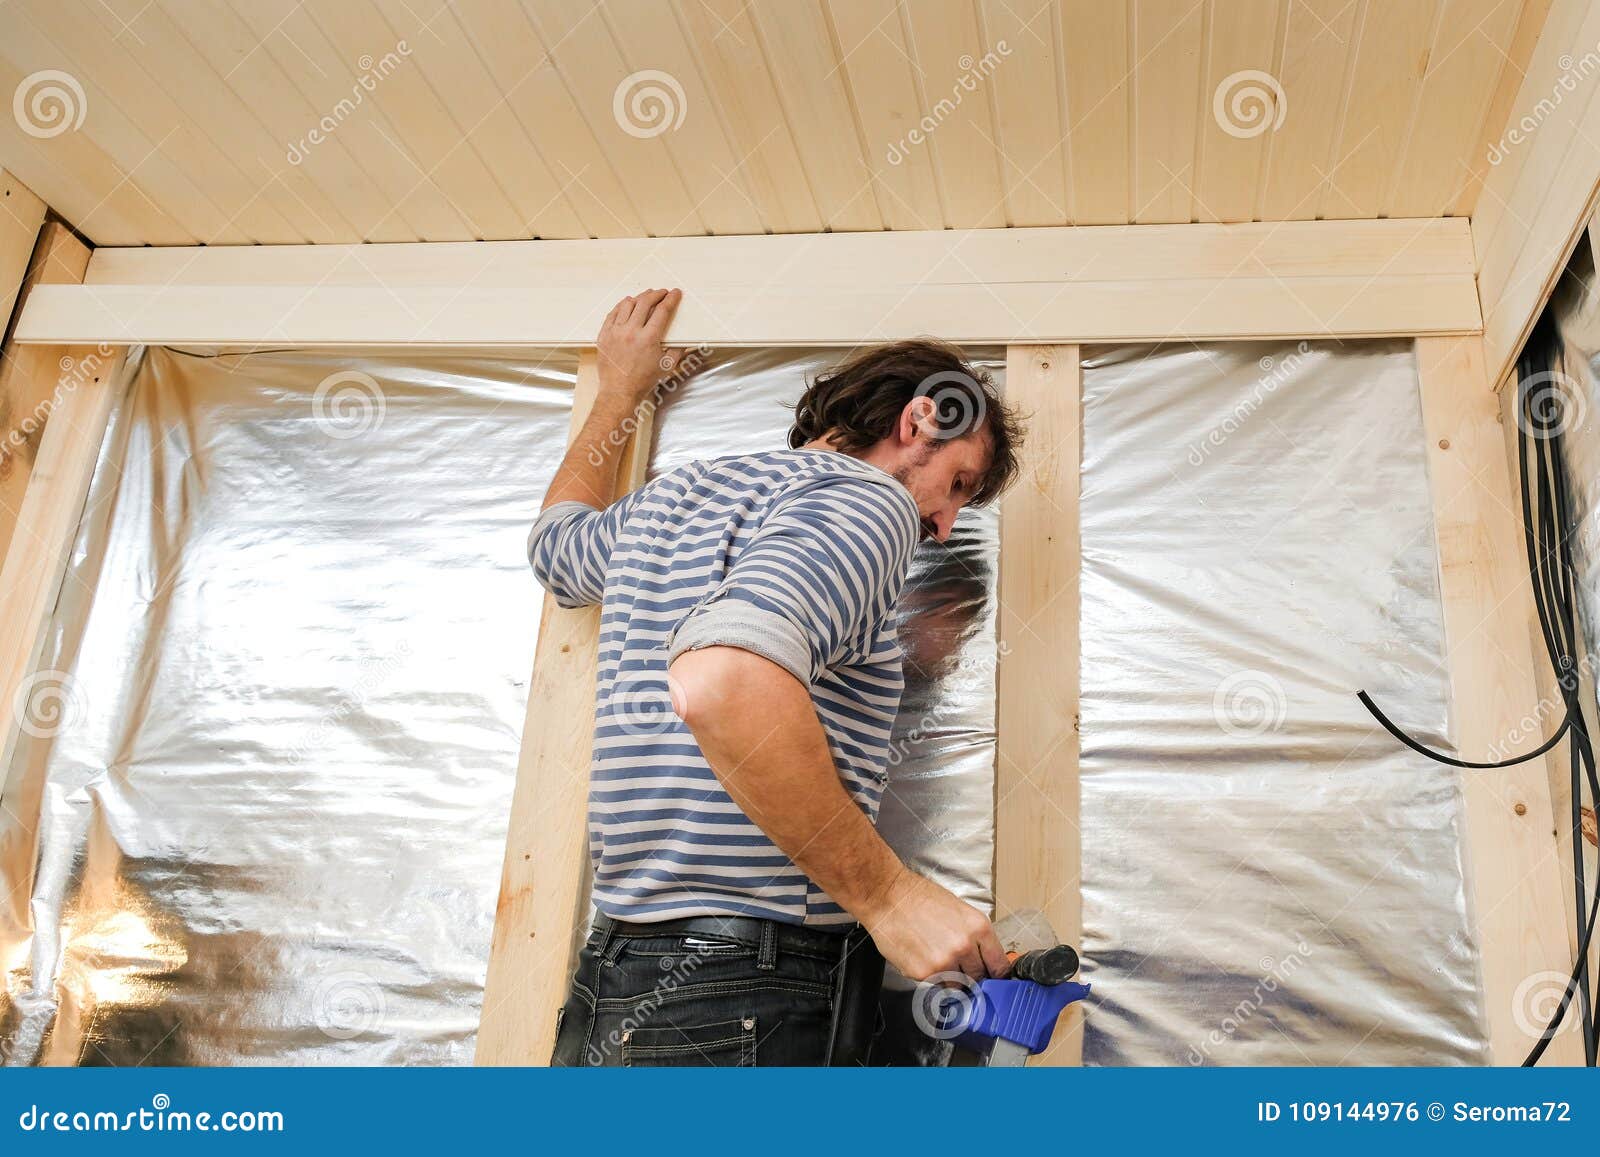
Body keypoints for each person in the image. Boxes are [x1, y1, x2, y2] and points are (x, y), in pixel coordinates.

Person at [532, 288, 1026, 1066]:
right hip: (748, 984)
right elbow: (722, 679)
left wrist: (617, 393)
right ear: (920, 421)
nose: (944, 524)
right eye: (959, 484)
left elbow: (556, 547)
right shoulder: (874, 504)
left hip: (622, 965)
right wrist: (888, 896)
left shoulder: (673, 501)